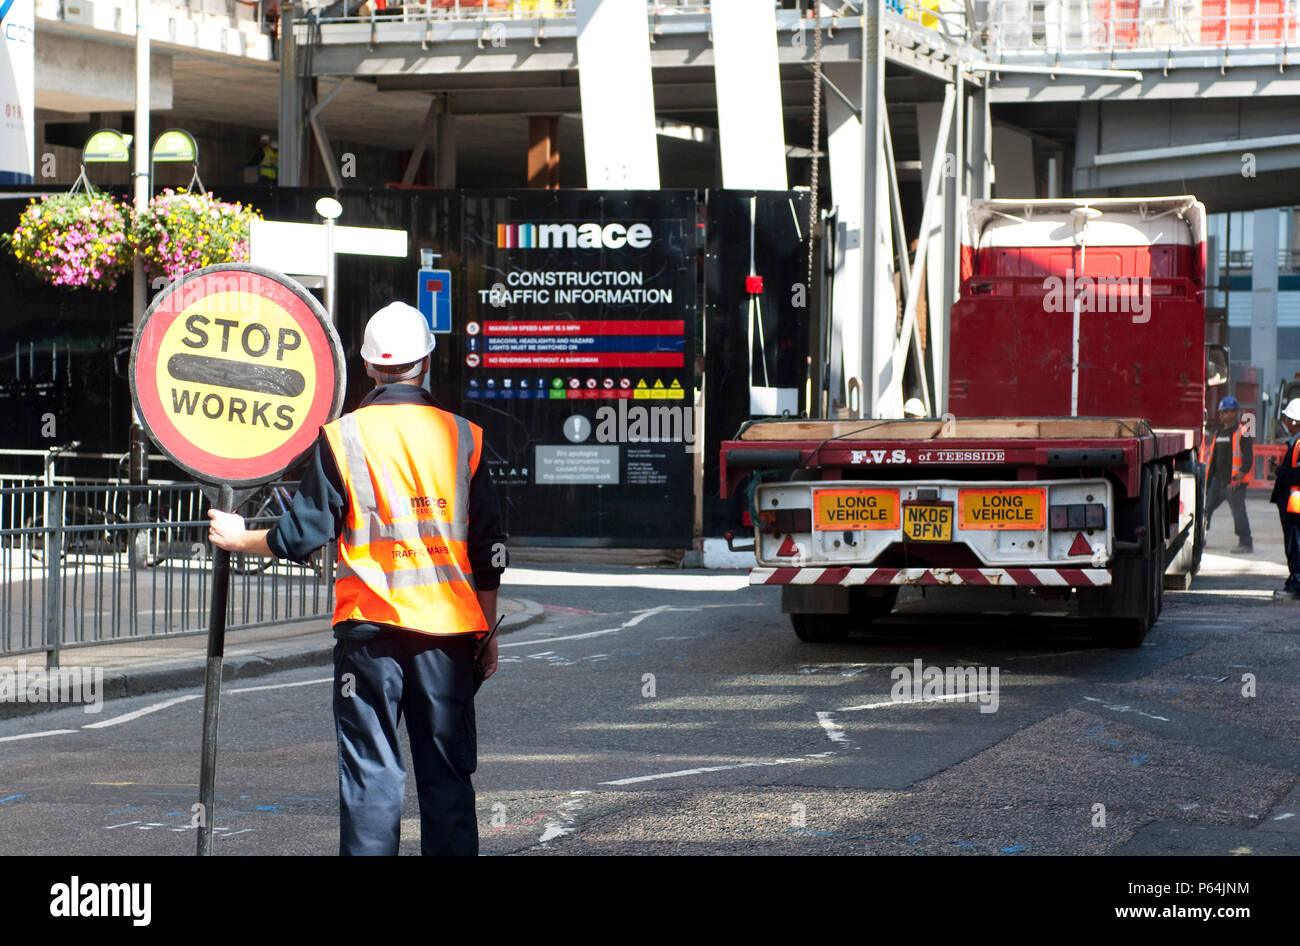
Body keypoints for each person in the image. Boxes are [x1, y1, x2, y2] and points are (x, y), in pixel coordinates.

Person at [207, 301, 506, 855]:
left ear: (368, 367)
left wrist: (236, 536)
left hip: (369, 639)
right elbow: (488, 552)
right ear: (427, 362)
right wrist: (486, 633)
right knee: (446, 778)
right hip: (448, 639)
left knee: (371, 776)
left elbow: (298, 537)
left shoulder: (342, 438)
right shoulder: (467, 438)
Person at [1203, 395, 1253, 553]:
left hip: (1234, 482)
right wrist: (1208, 481)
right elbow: (1213, 460)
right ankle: (1200, 537)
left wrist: (1241, 474)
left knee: (1238, 513)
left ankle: (1245, 543)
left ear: (1235, 412)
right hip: (1218, 482)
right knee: (1206, 510)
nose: (1224, 415)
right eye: (1223, 412)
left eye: (1228, 411)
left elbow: (1248, 457)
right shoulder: (1218, 434)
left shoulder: (1243, 433)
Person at [1270, 399, 1300, 600]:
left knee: (1295, 546)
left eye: (1288, 419)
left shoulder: (1298, 443)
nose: (1286, 423)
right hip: (1292, 505)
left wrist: (1279, 470)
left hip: (1295, 506)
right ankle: (1294, 581)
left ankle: (1296, 585)